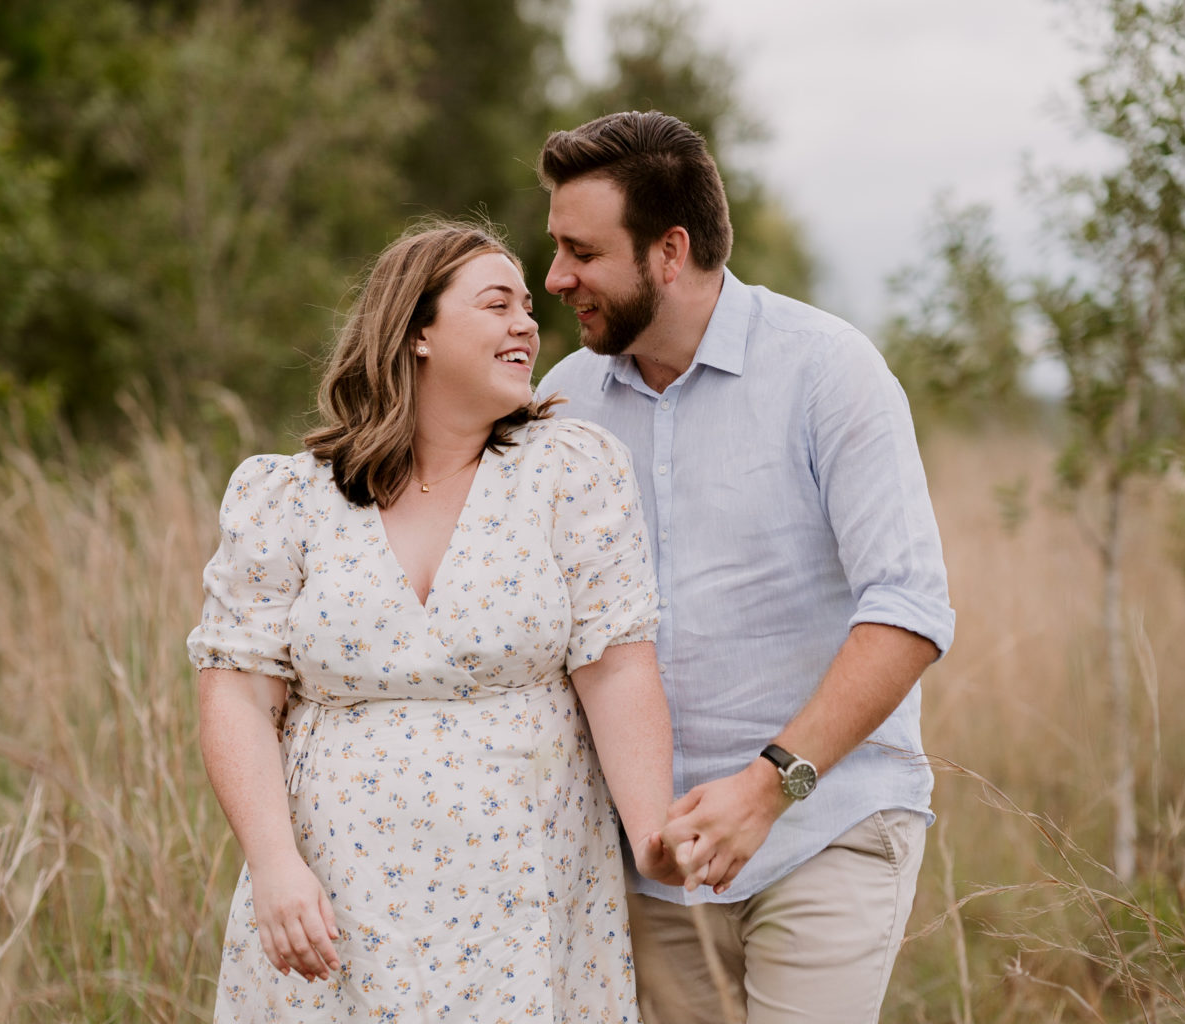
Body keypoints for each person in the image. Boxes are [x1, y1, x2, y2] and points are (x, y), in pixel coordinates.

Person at [187, 220, 680, 1023]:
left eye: (528, 306)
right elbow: (237, 695)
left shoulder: (569, 472)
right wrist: (274, 865)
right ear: (418, 330)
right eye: (498, 304)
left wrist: (657, 836)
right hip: (333, 896)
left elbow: (619, 668)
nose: (529, 322)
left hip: (522, 889)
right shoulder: (287, 497)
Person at [534, 111, 956, 1024]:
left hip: (824, 826)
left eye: (581, 251)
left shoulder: (829, 372)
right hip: (648, 867)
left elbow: (911, 610)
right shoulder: (559, 406)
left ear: (669, 251)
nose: (555, 277)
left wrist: (771, 786)